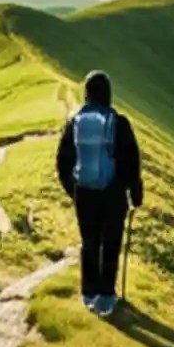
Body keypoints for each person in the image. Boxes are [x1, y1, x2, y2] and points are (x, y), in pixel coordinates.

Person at [55, 70, 143, 317]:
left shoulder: (75, 123)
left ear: (86, 93)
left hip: (84, 193)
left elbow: (63, 161)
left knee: (90, 243)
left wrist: (74, 190)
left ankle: (88, 293)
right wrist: (133, 193)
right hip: (112, 193)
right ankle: (106, 297)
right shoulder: (118, 122)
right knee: (111, 243)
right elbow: (131, 161)